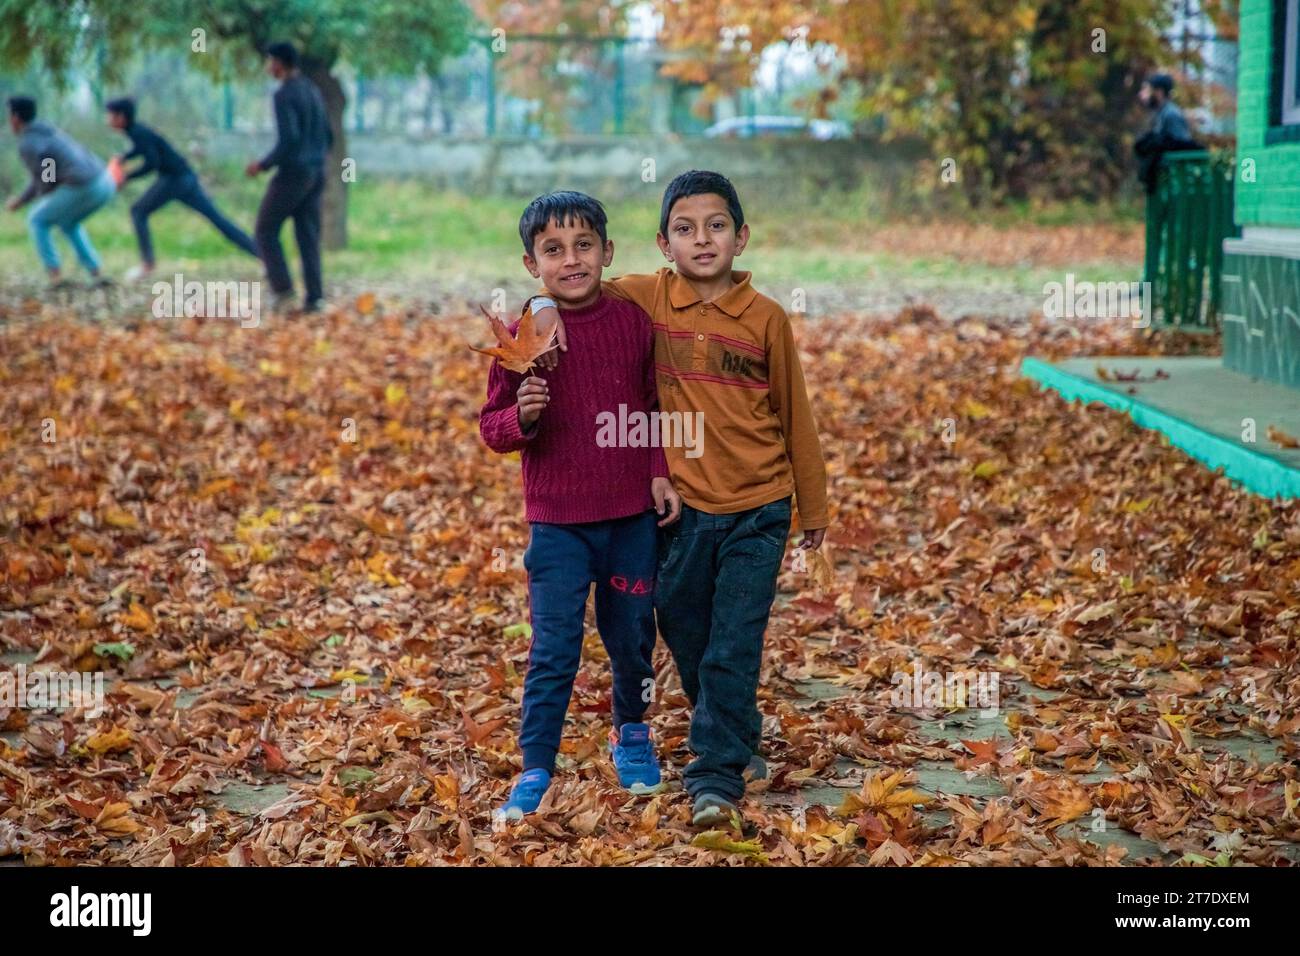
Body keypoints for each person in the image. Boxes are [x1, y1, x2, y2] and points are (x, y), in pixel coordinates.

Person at [526, 171, 830, 827]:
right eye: (685, 229)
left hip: (760, 506)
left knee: (733, 643)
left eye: (716, 226)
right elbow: (571, 285)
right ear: (663, 244)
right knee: (685, 631)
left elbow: (796, 417)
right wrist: (541, 312)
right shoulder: (648, 297)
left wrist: (815, 509)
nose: (702, 240)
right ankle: (736, 730)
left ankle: (713, 779)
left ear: (741, 236)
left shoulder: (767, 319)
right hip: (683, 514)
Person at [478, 191, 682, 820]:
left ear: (608, 251)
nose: (572, 260)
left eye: (584, 245)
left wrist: (656, 472)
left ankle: (634, 732)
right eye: (554, 250)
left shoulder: (630, 323)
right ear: (530, 263)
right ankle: (535, 763)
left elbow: (651, 407)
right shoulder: (523, 335)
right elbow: (491, 426)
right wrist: (523, 416)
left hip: (628, 519)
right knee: (555, 645)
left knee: (630, 637)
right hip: (557, 523)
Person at [106, 97, 258, 280]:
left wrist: (126, 177)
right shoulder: (138, 131)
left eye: (111, 116)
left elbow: (152, 162)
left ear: (121, 117)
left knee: (138, 211)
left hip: (174, 180)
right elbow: (145, 150)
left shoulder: (138, 132)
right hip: (185, 178)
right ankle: (264, 256)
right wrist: (125, 157)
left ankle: (147, 265)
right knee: (218, 219)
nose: (108, 120)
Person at [245, 41, 331, 313]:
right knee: (307, 235)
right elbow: (329, 135)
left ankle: (283, 291)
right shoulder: (312, 90)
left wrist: (263, 164)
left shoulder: (283, 95)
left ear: (279, 64)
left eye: (270, 61)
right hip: (317, 173)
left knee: (265, 230)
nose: (268, 67)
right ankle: (315, 299)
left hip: (293, 174)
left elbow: (289, 140)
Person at [4, 96, 115, 287]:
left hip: (84, 185)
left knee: (37, 219)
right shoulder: (48, 130)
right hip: (105, 181)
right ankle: (96, 272)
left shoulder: (29, 142)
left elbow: (48, 177)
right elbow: (48, 172)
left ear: (15, 118)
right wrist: (31, 195)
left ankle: (55, 276)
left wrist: (22, 200)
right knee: (67, 222)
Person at [1134, 72, 1202, 195]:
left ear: (1159, 92)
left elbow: (1183, 146)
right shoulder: (1160, 114)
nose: (1142, 95)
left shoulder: (1171, 114)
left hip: (1177, 186)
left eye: (1147, 90)